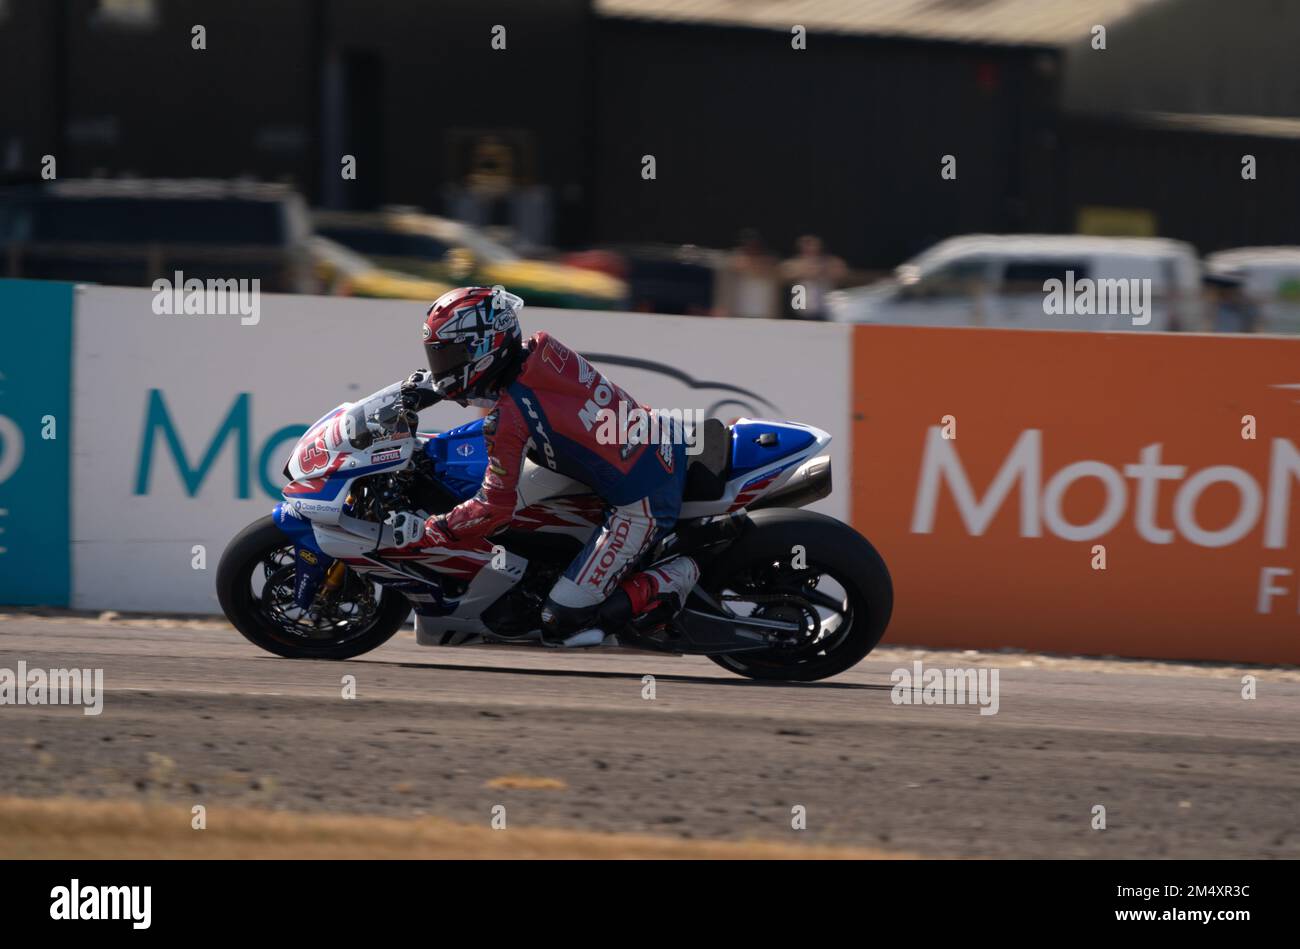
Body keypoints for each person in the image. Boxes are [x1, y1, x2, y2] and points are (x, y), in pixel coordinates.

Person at [383, 285, 700, 645]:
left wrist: (430, 531)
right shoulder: (541, 348)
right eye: (437, 357)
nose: (441, 368)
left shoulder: (509, 417)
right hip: (645, 439)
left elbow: (493, 509)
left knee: (562, 622)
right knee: (511, 506)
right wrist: (431, 388)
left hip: (645, 495)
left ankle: (675, 575)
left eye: (450, 356)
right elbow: (502, 388)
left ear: (485, 347)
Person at [714, 228, 780, 318]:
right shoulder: (732, 263)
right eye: (747, 245)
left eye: (754, 245)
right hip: (737, 313)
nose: (750, 248)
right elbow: (723, 289)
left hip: (763, 314)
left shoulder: (770, 263)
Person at [780, 235, 847, 320]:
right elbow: (784, 274)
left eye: (813, 245)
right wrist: (805, 271)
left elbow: (842, 273)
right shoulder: (793, 263)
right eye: (807, 245)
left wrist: (823, 270)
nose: (811, 248)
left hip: (825, 309)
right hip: (801, 308)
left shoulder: (831, 262)